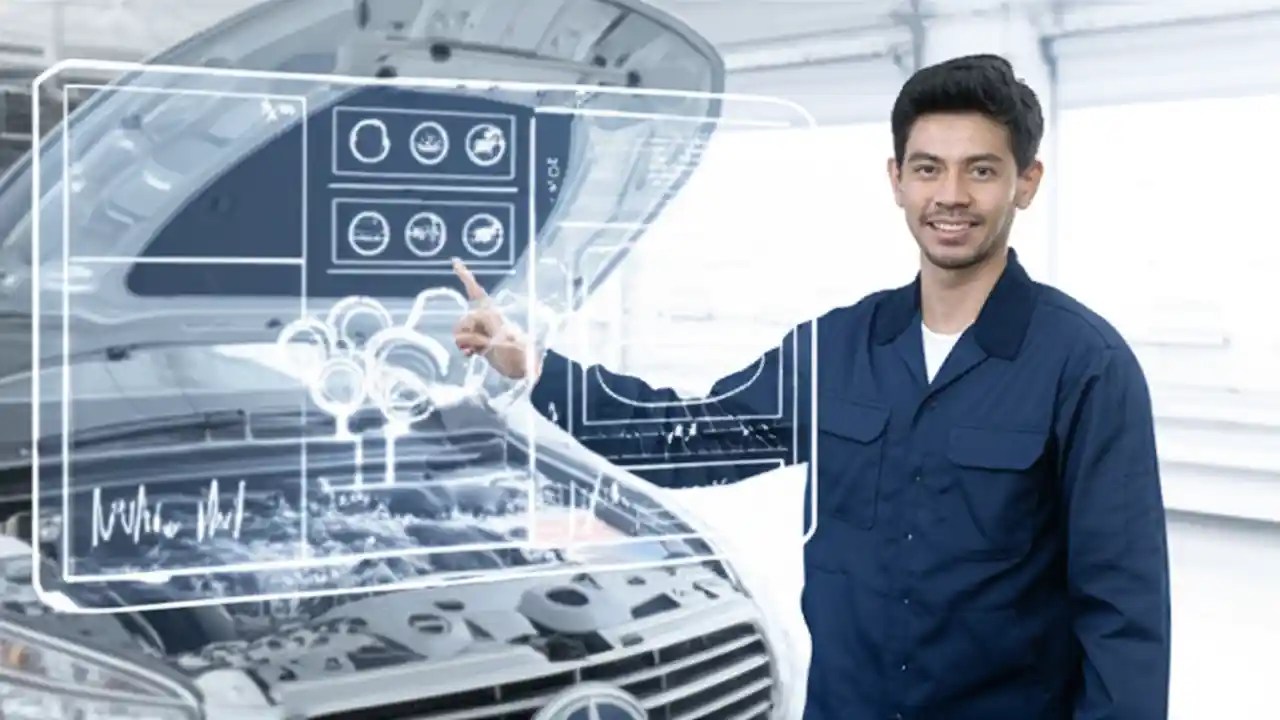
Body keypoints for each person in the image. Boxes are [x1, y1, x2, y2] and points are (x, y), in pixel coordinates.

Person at [451, 53, 1171, 720]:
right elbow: (688, 437)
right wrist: (536, 367)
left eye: (980, 170)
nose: (950, 196)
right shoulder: (836, 348)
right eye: (928, 169)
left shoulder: (1085, 365)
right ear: (897, 180)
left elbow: (1123, 614)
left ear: (1026, 182)